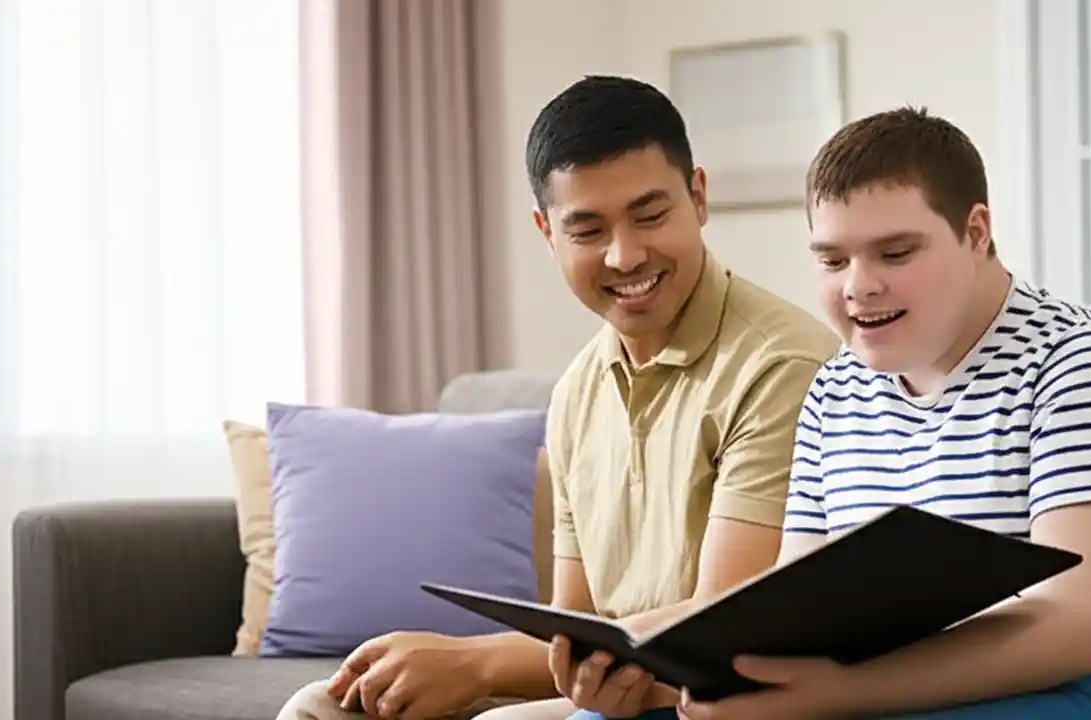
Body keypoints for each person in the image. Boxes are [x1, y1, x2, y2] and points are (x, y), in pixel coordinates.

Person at [274, 74, 839, 720]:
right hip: (620, 695)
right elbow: (573, 630)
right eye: (588, 230)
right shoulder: (578, 391)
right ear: (547, 232)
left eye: (651, 216)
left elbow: (724, 630)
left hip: (713, 699)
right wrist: (465, 666)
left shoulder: (782, 365)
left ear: (699, 197)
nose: (626, 255)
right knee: (321, 707)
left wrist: (474, 663)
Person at [674, 107, 1091, 720]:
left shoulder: (1082, 366)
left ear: (976, 230)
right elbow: (798, 604)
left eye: (895, 253)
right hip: (892, 685)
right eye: (832, 261)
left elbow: (1082, 626)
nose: (859, 286)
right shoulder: (834, 388)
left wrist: (842, 696)